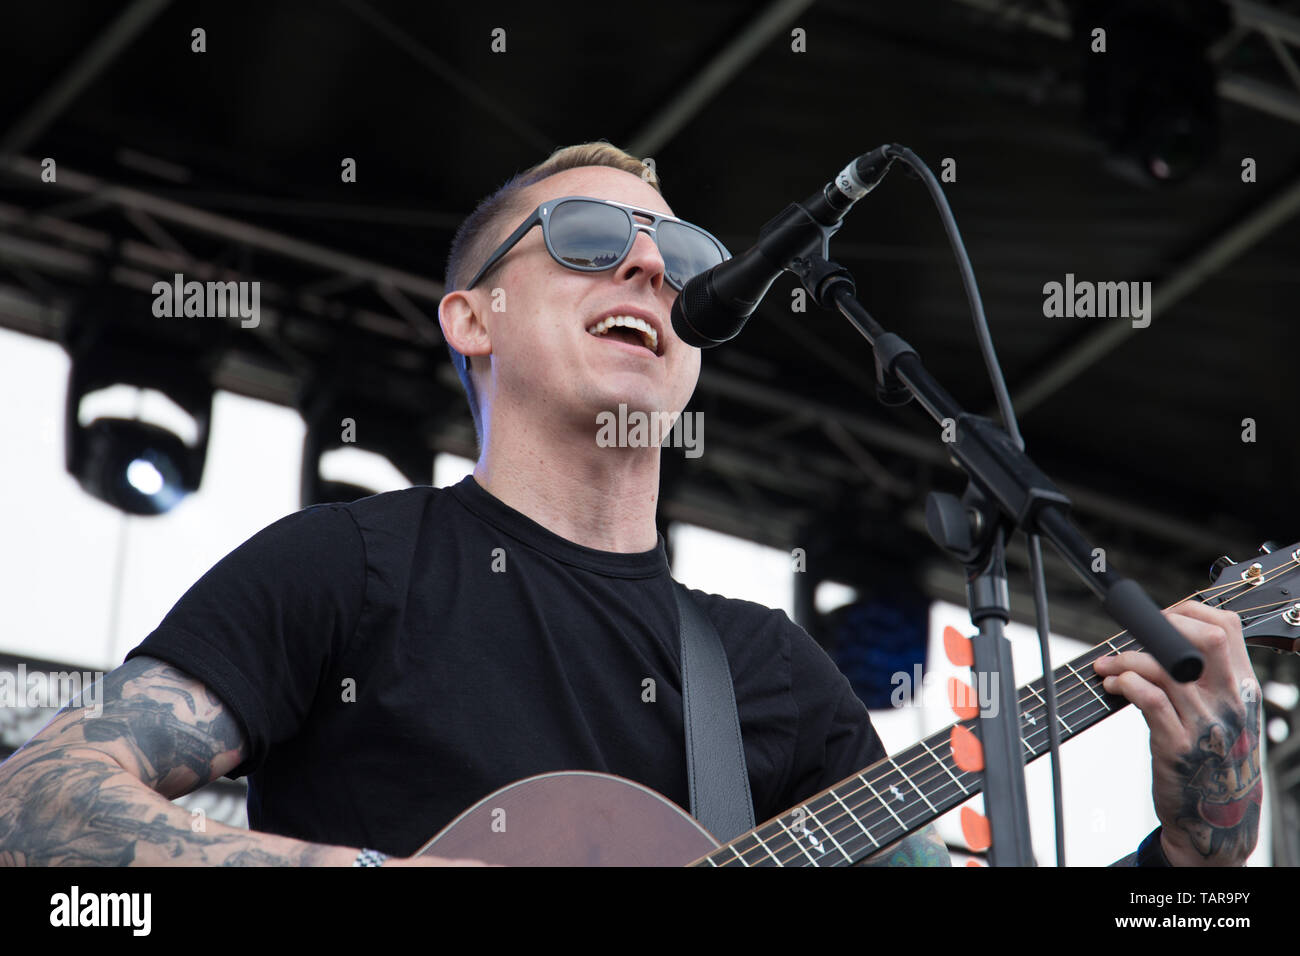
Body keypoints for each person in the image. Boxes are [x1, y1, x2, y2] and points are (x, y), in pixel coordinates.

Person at [0, 143, 1260, 868]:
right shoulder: (348, 568)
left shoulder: (768, 671)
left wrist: (1211, 826)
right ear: (471, 316)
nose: (654, 265)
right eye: (591, 236)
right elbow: (38, 806)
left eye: (687, 257)